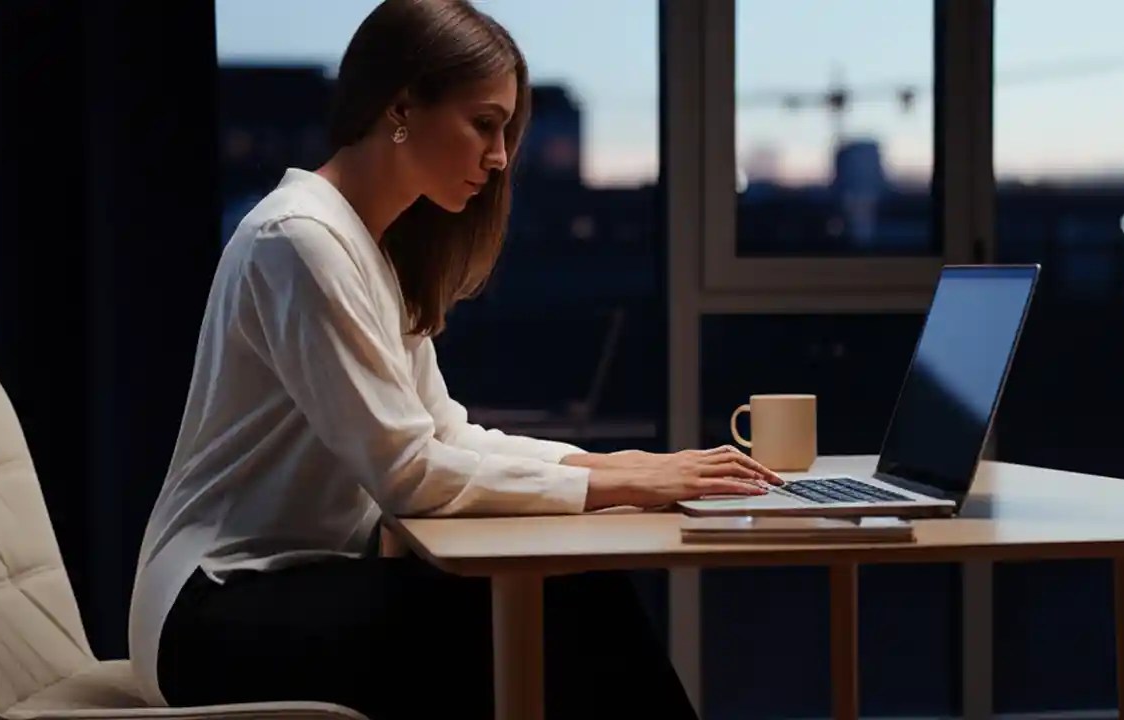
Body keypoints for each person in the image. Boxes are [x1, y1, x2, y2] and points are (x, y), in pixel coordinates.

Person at [128, 1, 779, 717]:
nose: (499, 157)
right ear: (401, 107)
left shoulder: (365, 248)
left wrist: (615, 466)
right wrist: (623, 483)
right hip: (213, 606)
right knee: (570, 611)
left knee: (576, 597)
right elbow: (408, 474)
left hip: (289, 582)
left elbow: (448, 435)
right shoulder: (299, 240)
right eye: (485, 124)